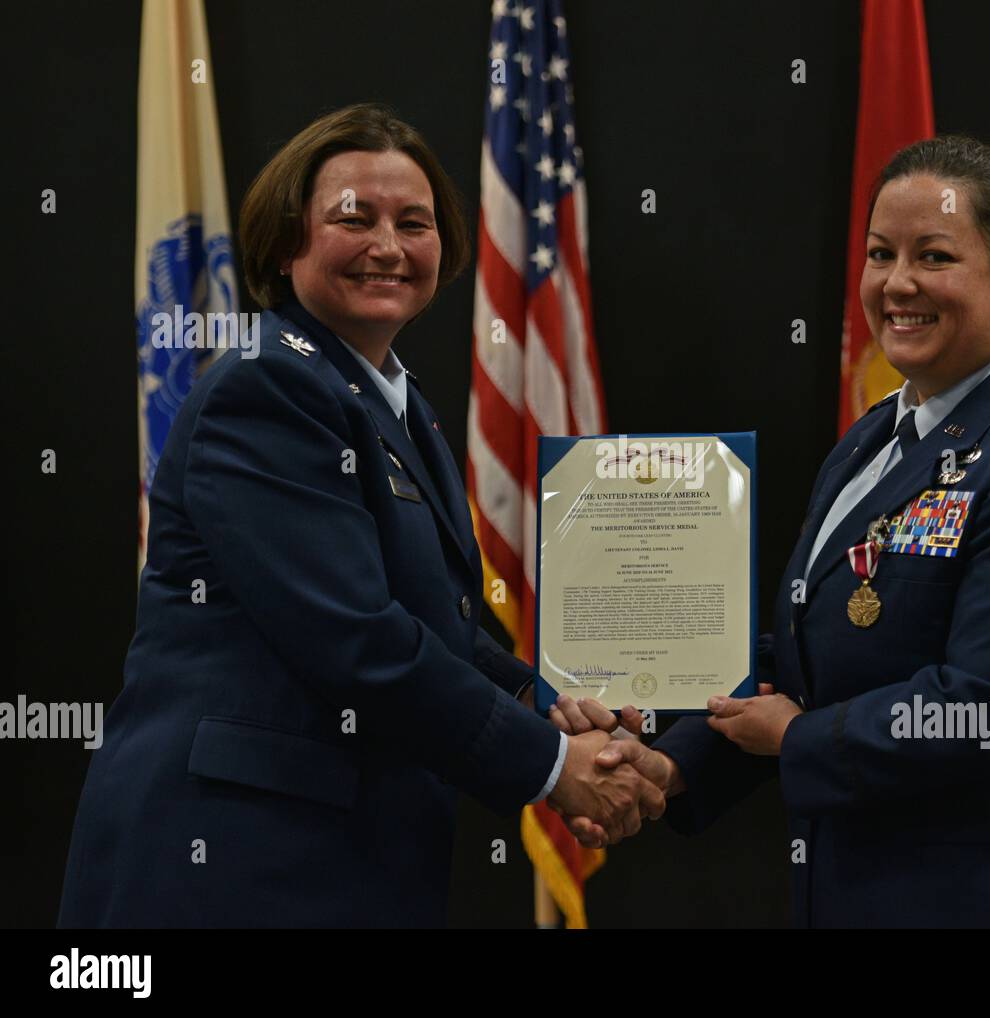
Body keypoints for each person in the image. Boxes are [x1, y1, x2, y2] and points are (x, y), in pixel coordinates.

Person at [549, 136, 990, 928]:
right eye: (881, 253)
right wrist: (669, 761)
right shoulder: (872, 441)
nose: (898, 282)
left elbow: (984, 708)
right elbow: (801, 656)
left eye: (935, 255)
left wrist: (802, 739)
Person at [58, 103, 662, 928]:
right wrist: (554, 761)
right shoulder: (266, 388)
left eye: (413, 222)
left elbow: (430, 625)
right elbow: (354, 638)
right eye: (354, 218)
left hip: (335, 859)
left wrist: (549, 700)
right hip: (232, 867)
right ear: (284, 241)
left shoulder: (392, 403)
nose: (387, 246)